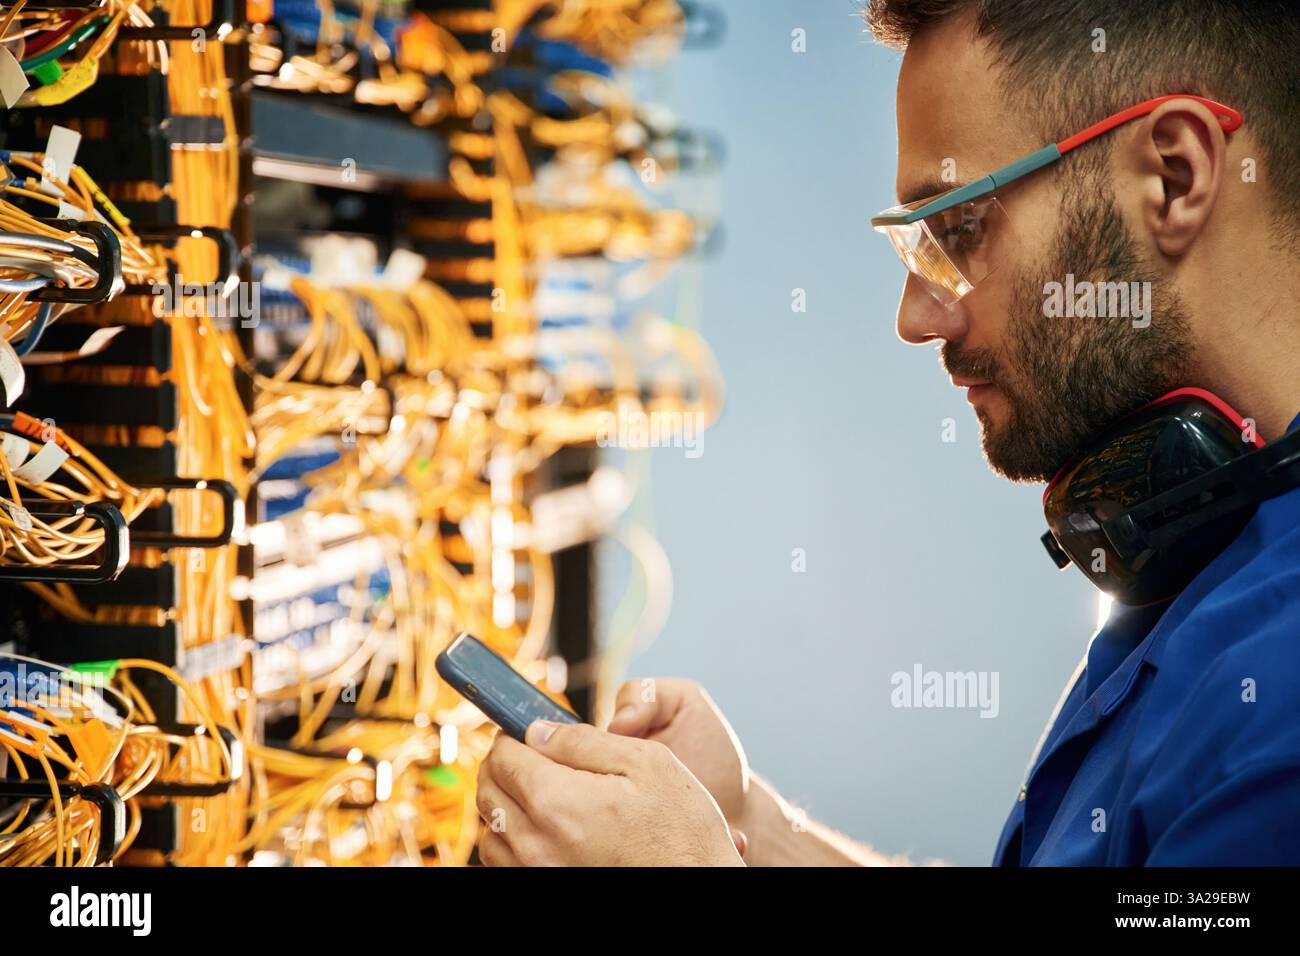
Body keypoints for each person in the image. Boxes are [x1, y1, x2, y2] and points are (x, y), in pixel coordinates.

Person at [474, 0, 1300, 866]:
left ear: (1172, 175)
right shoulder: (1203, 537)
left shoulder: (1278, 708)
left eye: (959, 228)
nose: (915, 318)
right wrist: (756, 832)